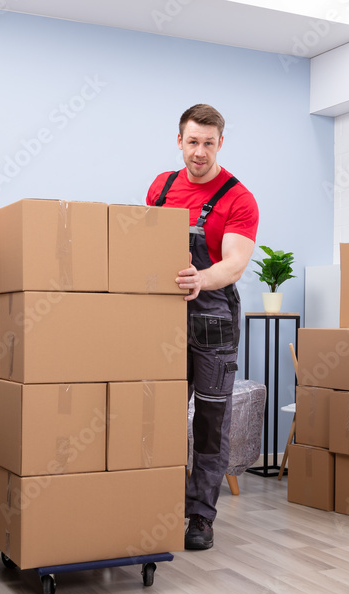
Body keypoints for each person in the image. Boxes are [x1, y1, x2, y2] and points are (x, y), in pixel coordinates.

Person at [146, 104, 259, 550]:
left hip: (212, 318)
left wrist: (201, 279)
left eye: (208, 143)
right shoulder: (161, 187)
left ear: (220, 143)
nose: (199, 152)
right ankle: (157, 503)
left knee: (211, 421)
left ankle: (200, 516)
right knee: (160, 417)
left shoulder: (238, 197)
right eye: (192, 142)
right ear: (179, 140)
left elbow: (234, 262)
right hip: (162, 317)